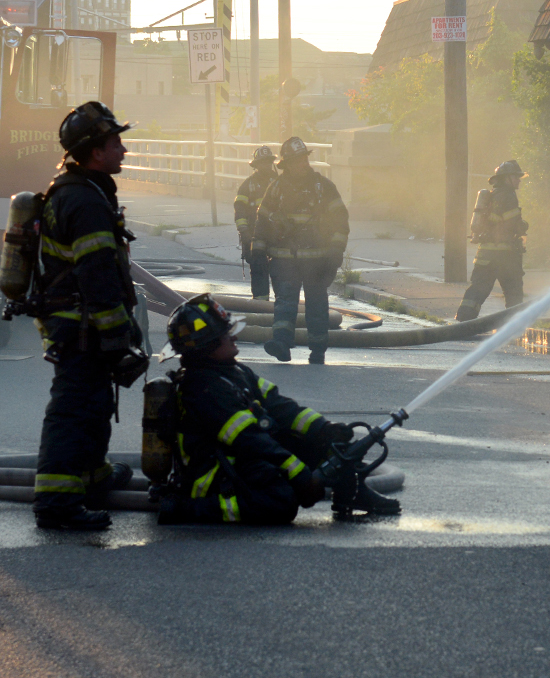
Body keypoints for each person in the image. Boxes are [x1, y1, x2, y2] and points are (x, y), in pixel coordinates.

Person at [155, 293, 400, 524]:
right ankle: (188, 508)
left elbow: (280, 407)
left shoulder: (234, 371)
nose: (235, 337)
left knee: (335, 446)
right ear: (206, 346)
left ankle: (353, 494)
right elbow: (249, 440)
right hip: (216, 474)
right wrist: (302, 477)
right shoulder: (202, 389)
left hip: (244, 459)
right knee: (279, 500)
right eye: (225, 334)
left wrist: (324, 430)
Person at [30, 101, 143, 531]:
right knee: (74, 410)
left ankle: (92, 477)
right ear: (96, 151)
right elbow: (97, 275)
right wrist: (119, 336)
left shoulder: (80, 190)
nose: (123, 150)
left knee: (94, 404)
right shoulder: (85, 201)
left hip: (78, 321)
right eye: (117, 142)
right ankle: (57, 503)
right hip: (80, 324)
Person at [253, 136, 348, 365]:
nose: (302, 164)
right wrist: (257, 249)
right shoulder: (275, 188)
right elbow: (263, 219)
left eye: (304, 159)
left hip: (317, 261)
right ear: (286, 164)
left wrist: (336, 251)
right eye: (297, 160)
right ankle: (282, 344)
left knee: (316, 306)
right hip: (284, 261)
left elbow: (340, 220)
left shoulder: (323, 187)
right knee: (285, 304)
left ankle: (317, 350)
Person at [452, 161, 530, 323]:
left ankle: (463, 322)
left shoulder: (493, 195)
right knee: (513, 292)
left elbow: (493, 221)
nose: (519, 180)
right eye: (516, 177)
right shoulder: (508, 196)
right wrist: (522, 225)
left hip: (486, 255)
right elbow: (512, 223)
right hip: (505, 256)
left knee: (478, 290)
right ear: (507, 178)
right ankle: (514, 326)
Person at [233, 146, 279, 300]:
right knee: (259, 270)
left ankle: (283, 305)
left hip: (277, 236)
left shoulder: (280, 183)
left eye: (268, 162)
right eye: (262, 162)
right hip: (254, 236)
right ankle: (261, 304)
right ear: (255, 165)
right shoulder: (247, 186)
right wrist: (245, 233)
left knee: (281, 272)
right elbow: (239, 211)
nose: (265, 165)